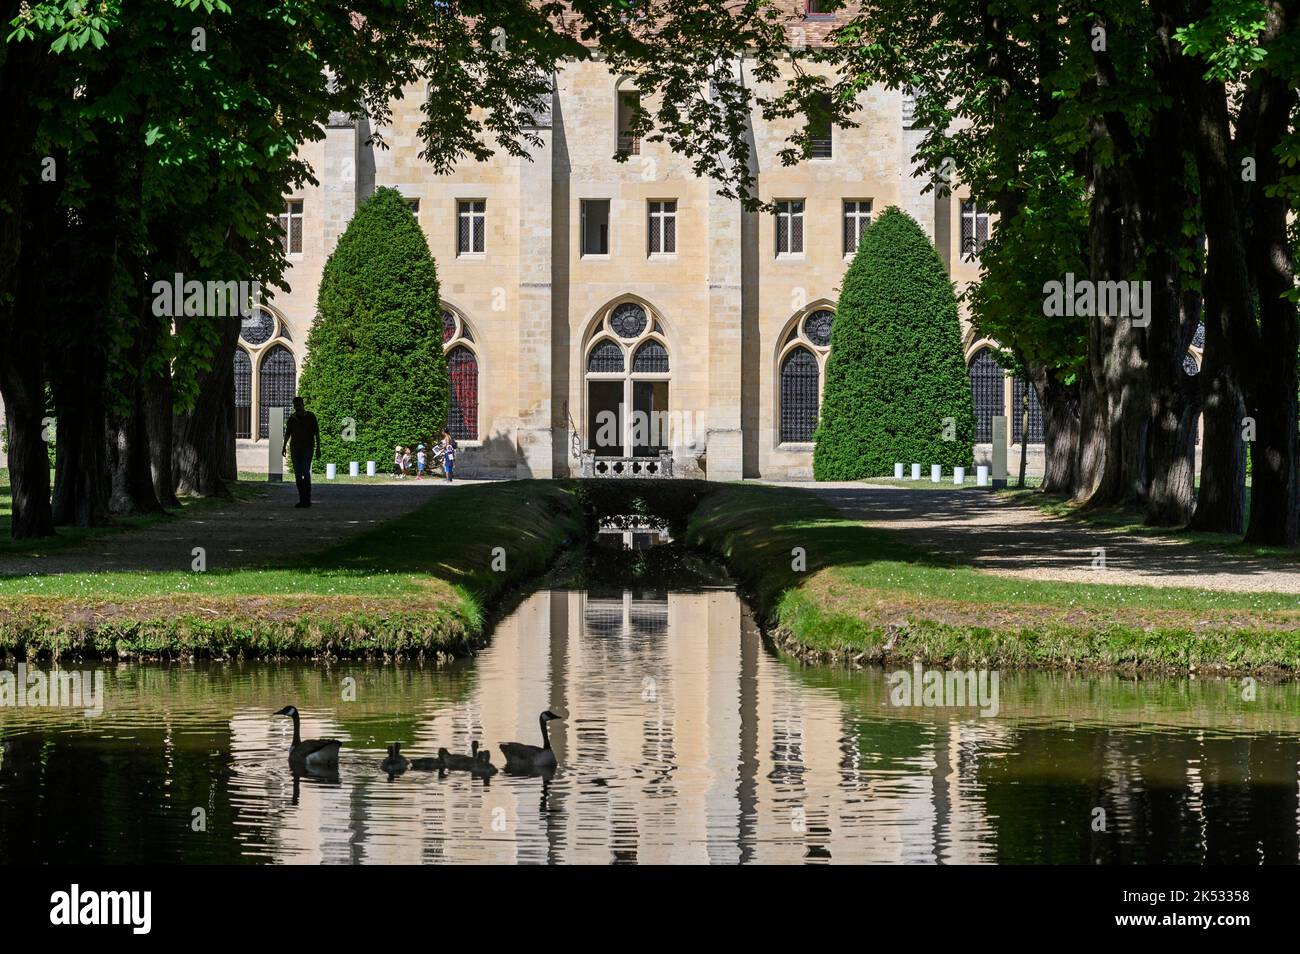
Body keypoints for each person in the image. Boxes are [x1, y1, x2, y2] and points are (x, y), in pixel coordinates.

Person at [283, 396, 321, 508]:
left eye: (298, 405)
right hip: (295, 448)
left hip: (308, 448)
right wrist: (284, 446)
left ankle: (307, 499)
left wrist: (318, 448)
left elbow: (317, 433)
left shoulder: (311, 416)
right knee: (298, 474)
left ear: (303, 405)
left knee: (305, 470)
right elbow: (287, 433)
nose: (297, 407)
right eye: (295, 405)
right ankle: (302, 499)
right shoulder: (292, 418)